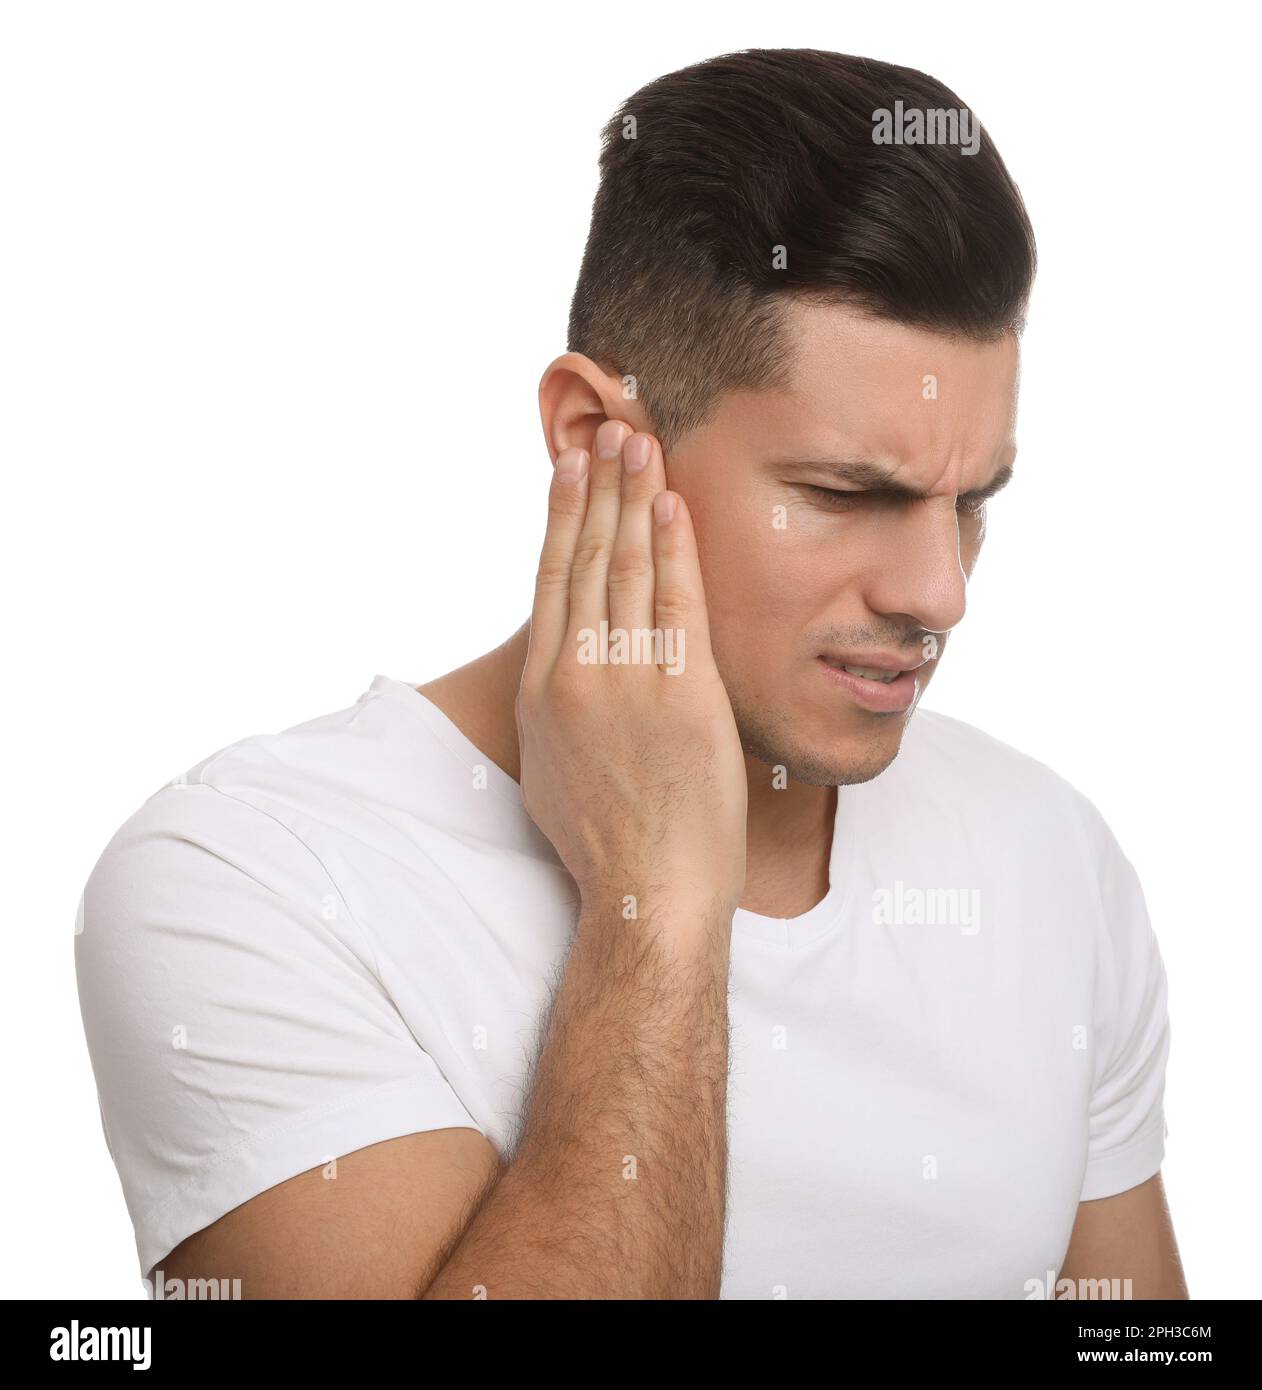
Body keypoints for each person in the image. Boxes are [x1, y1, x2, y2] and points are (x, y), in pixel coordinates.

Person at [75, 47, 1187, 1299]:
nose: (939, 594)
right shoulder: (252, 883)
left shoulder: (1046, 852)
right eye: (844, 494)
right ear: (600, 441)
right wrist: (653, 896)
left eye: (969, 501)